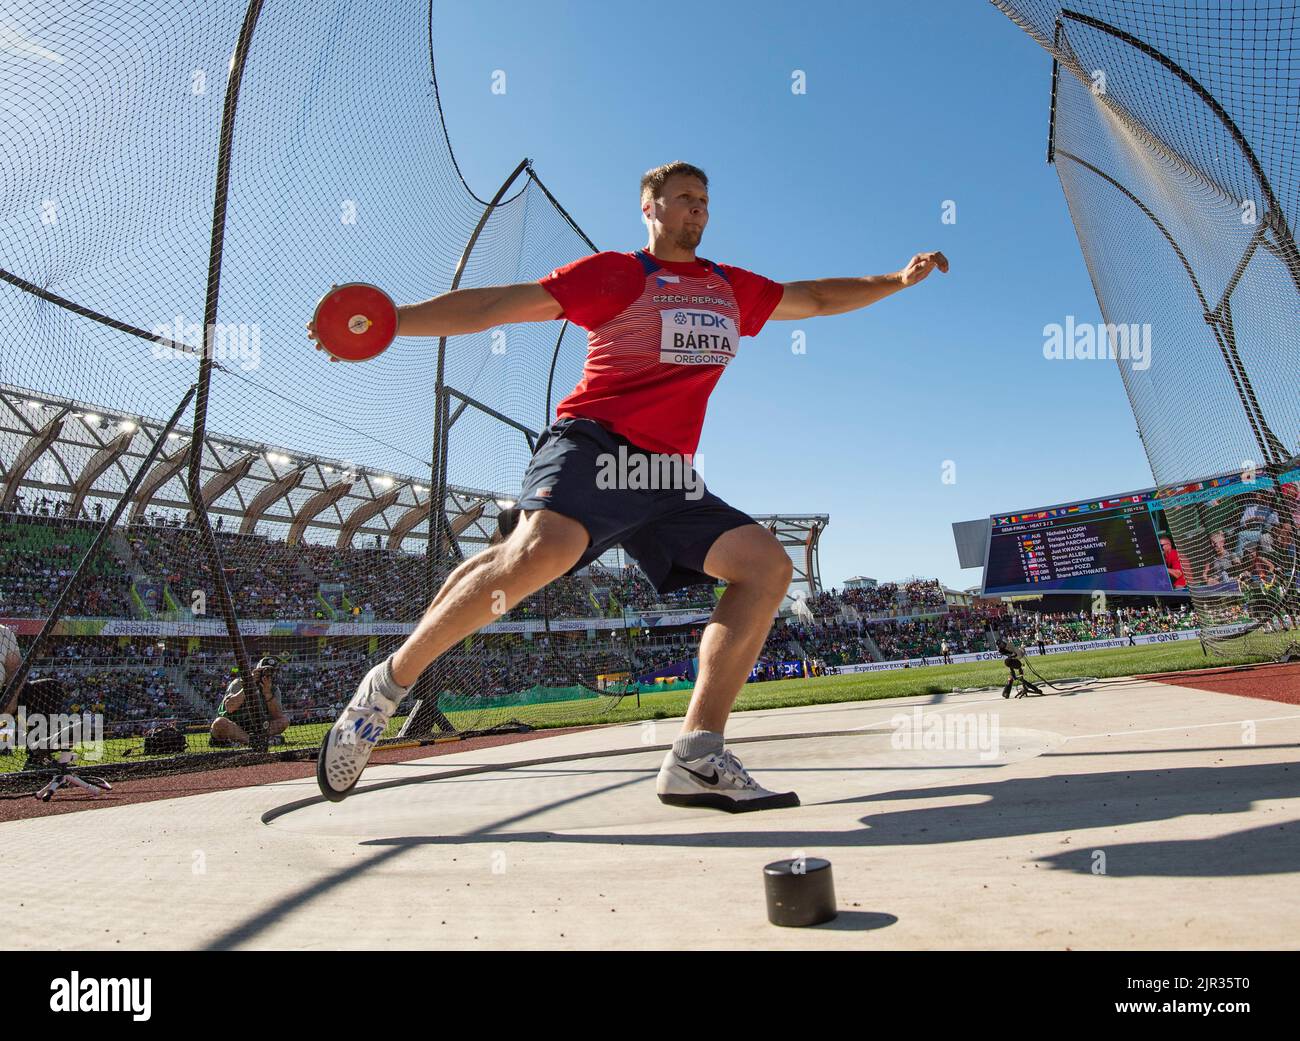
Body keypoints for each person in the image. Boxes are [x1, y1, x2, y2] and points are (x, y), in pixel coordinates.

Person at [311, 160, 948, 811]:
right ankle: (385, 689)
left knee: (767, 567)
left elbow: (812, 296)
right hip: (595, 443)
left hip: (666, 475)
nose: (696, 210)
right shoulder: (618, 274)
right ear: (650, 209)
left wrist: (896, 281)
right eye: (682, 199)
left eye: (704, 200)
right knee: (539, 556)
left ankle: (697, 755)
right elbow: (498, 304)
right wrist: (391, 319)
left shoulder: (732, 288)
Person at [210, 656, 289, 747]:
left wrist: (267, 693)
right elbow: (230, 708)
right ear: (257, 671)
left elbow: (278, 716)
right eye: (265, 671)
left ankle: (250, 740)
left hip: (256, 727)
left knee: (284, 721)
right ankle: (254, 741)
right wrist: (248, 684)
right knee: (219, 723)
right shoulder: (238, 683)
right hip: (234, 725)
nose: (269, 675)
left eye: (272, 671)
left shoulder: (274, 689)